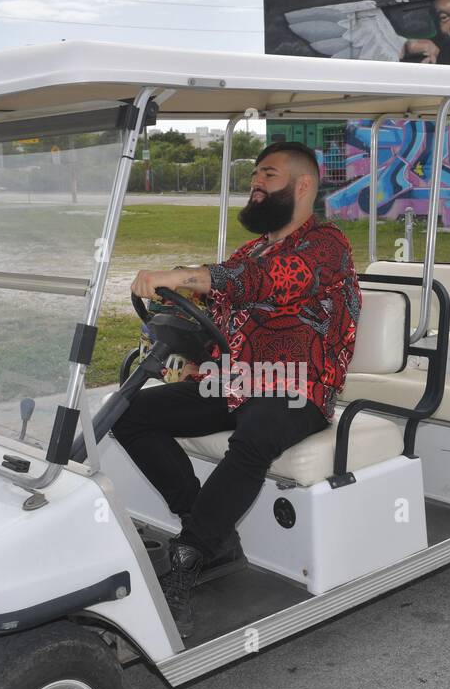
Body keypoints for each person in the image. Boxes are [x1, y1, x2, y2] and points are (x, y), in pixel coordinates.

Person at [116, 142, 361, 637]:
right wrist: (194, 357)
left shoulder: (327, 246)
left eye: (267, 175)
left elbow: (258, 282)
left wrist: (181, 273)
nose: (255, 185)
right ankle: (210, 532)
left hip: (299, 387)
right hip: (238, 382)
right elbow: (223, 319)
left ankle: (188, 557)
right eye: (254, 176)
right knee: (130, 413)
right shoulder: (254, 247)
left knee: (255, 433)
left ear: (303, 185)